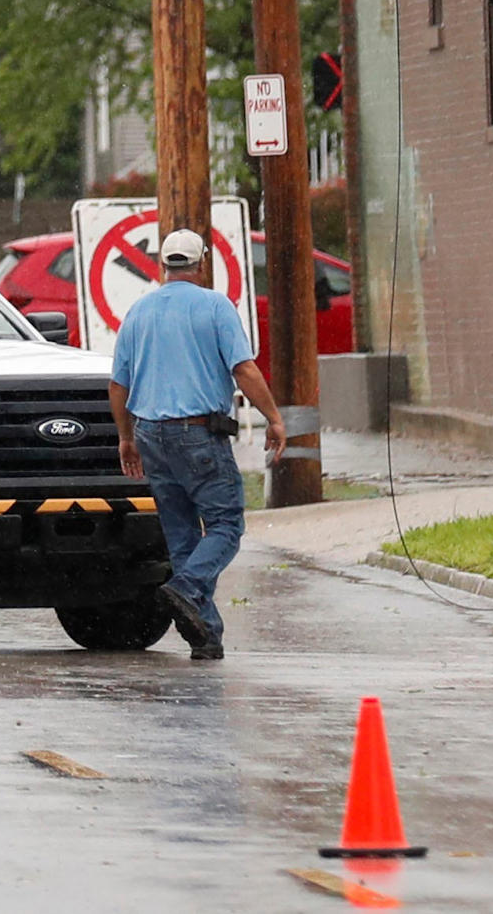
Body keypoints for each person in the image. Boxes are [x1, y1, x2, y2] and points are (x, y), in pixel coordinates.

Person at [105, 228, 278, 660]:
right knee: (225, 526)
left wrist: (126, 438)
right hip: (198, 433)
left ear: (162, 266)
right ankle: (186, 587)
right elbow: (245, 370)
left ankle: (206, 636)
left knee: (182, 537)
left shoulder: (139, 313)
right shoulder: (215, 307)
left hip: (150, 436)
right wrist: (273, 418)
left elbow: (117, 385)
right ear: (202, 264)